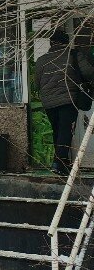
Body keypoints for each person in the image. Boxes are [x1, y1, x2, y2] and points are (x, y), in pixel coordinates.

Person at [36, 30, 94, 175]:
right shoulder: (73, 55)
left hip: (49, 103)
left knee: (58, 131)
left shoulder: (41, 60)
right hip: (68, 100)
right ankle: (59, 163)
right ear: (66, 42)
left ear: (51, 43)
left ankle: (63, 164)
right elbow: (89, 73)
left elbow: (37, 83)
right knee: (66, 132)